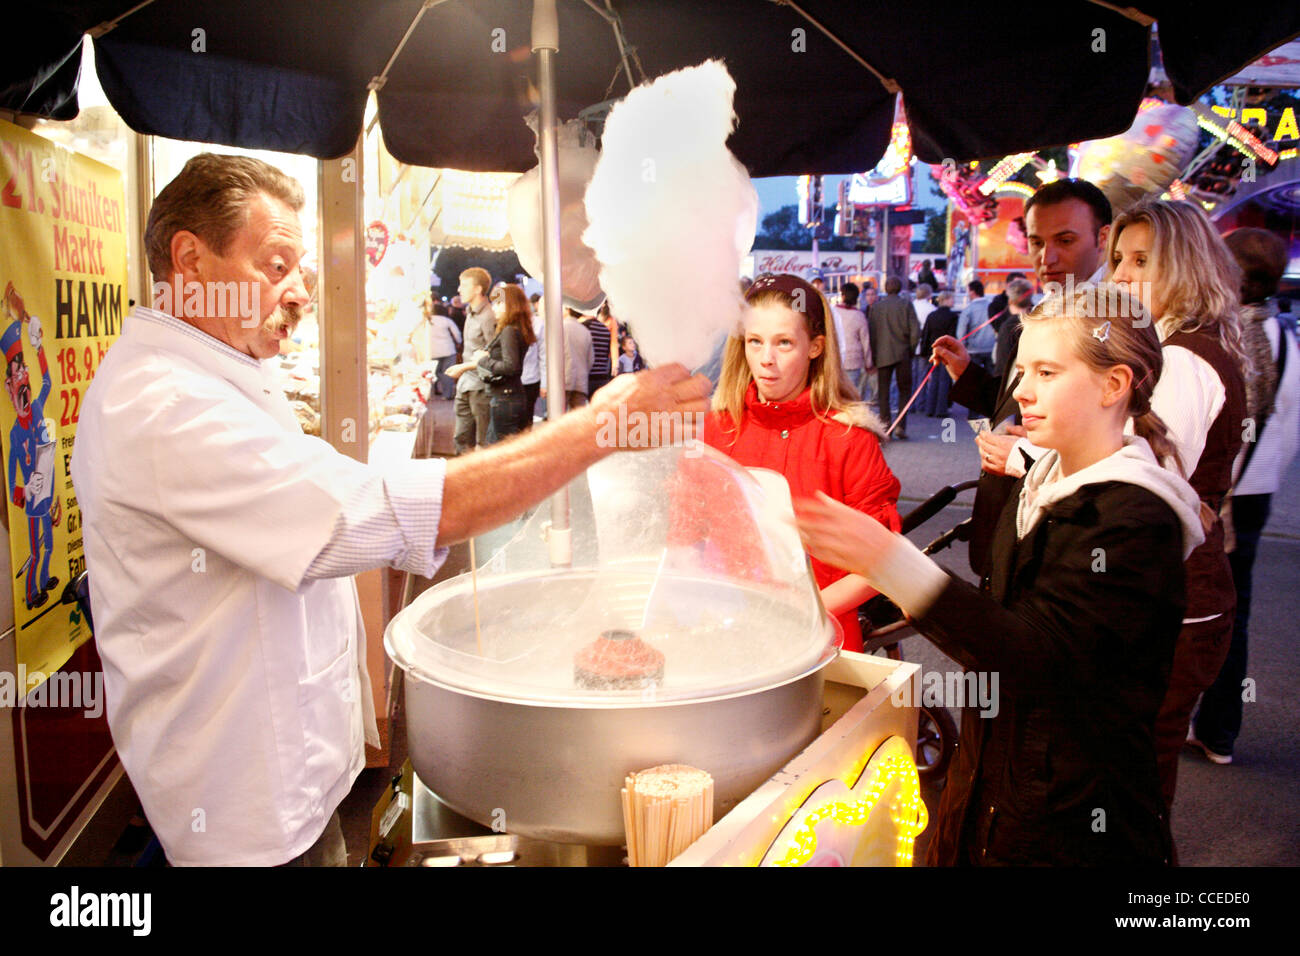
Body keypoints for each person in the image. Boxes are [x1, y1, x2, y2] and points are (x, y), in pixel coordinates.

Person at [68, 153, 710, 866]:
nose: (299, 293)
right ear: (189, 260)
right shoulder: (163, 406)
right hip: (241, 816)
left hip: (285, 784)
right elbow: (375, 513)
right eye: (274, 266)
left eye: (301, 271)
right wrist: (599, 427)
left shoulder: (221, 374)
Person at [795, 286, 1205, 865]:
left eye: (1046, 371)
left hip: (1073, 819)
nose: (1022, 392)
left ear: (1114, 385)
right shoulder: (1042, 479)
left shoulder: (1133, 518)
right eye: (1021, 370)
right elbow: (998, 597)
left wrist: (893, 563)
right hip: (1003, 782)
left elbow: (1036, 660)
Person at [1107, 197, 1248, 812]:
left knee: (1135, 775)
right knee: (1136, 769)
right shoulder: (1178, 345)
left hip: (1177, 599)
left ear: (1185, 267)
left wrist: (1032, 457)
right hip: (1173, 591)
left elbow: (1145, 480)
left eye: (1141, 260)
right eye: (1118, 259)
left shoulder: (1187, 355)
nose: (1120, 276)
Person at [704, 273, 900, 654]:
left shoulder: (849, 437)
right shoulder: (719, 428)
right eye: (755, 341)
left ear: (815, 347)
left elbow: (882, 560)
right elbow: (683, 534)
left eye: (784, 343)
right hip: (727, 634)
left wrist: (805, 610)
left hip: (822, 640)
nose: (766, 359)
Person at [931, 177, 1113, 579]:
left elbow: (1124, 445)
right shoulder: (1043, 310)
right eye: (1036, 242)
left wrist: (1032, 455)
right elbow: (1015, 399)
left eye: (1065, 241)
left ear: (1104, 238)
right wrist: (965, 372)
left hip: (1057, 535)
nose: (1047, 256)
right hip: (1006, 521)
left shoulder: (1115, 323)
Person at [1191, 229, 1298, 764]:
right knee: (1233, 611)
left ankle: (1216, 728)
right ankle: (1216, 726)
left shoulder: (1248, 336)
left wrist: (1217, 498)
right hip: (1259, 490)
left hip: (1234, 496)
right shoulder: (1281, 332)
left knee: (1220, 613)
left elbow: (1239, 426)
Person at [471, 283, 536, 443]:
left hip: (505, 398)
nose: (494, 308)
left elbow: (511, 366)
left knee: (498, 451)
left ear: (511, 305)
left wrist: (483, 359)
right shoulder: (518, 328)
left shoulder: (509, 330)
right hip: (512, 396)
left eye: (499, 303)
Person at [867, 276, 919, 438]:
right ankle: (900, 426)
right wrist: (911, 349)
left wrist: (874, 354)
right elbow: (915, 331)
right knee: (904, 390)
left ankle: (885, 426)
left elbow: (872, 333)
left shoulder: (876, 308)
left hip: (882, 354)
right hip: (903, 353)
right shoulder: (906, 304)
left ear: (885, 288)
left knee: (883, 392)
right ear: (900, 288)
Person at [452, 267, 495, 454]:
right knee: (461, 437)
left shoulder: (488, 315)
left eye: (464, 285)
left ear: (478, 289)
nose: (459, 290)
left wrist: (465, 367)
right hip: (465, 383)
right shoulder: (470, 312)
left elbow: (494, 353)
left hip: (480, 386)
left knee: (481, 441)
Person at [539, 306, 594, 411]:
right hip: (581, 382)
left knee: (559, 416)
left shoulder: (560, 327)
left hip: (562, 380)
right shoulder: (586, 331)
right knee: (578, 420)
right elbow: (590, 360)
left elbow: (550, 354)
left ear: (568, 310)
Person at [919, 291, 958, 417]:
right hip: (946, 351)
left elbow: (926, 334)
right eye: (952, 299)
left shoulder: (932, 315)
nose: (953, 301)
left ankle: (930, 408)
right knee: (944, 381)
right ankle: (941, 409)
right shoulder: (953, 316)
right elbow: (952, 336)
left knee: (933, 380)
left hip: (933, 350)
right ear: (946, 300)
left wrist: (924, 351)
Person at [831, 281, 871, 397]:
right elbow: (865, 341)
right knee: (852, 394)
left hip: (835, 358)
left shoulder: (833, 312)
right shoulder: (859, 316)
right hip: (854, 360)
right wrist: (869, 363)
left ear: (842, 296)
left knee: (837, 394)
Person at [421, 299, 461, 400]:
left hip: (432, 351)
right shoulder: (446, 320)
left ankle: (431, 393)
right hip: (448, 350)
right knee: (447, 372)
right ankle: (447, 395)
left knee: (435, 372)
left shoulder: (426, 321)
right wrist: (459, 342)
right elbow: (457, 334)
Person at [583, 308, 614, 398]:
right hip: (602, 376)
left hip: (588, 376)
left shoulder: (584, 327)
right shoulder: (605, 330)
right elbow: (607, 353)